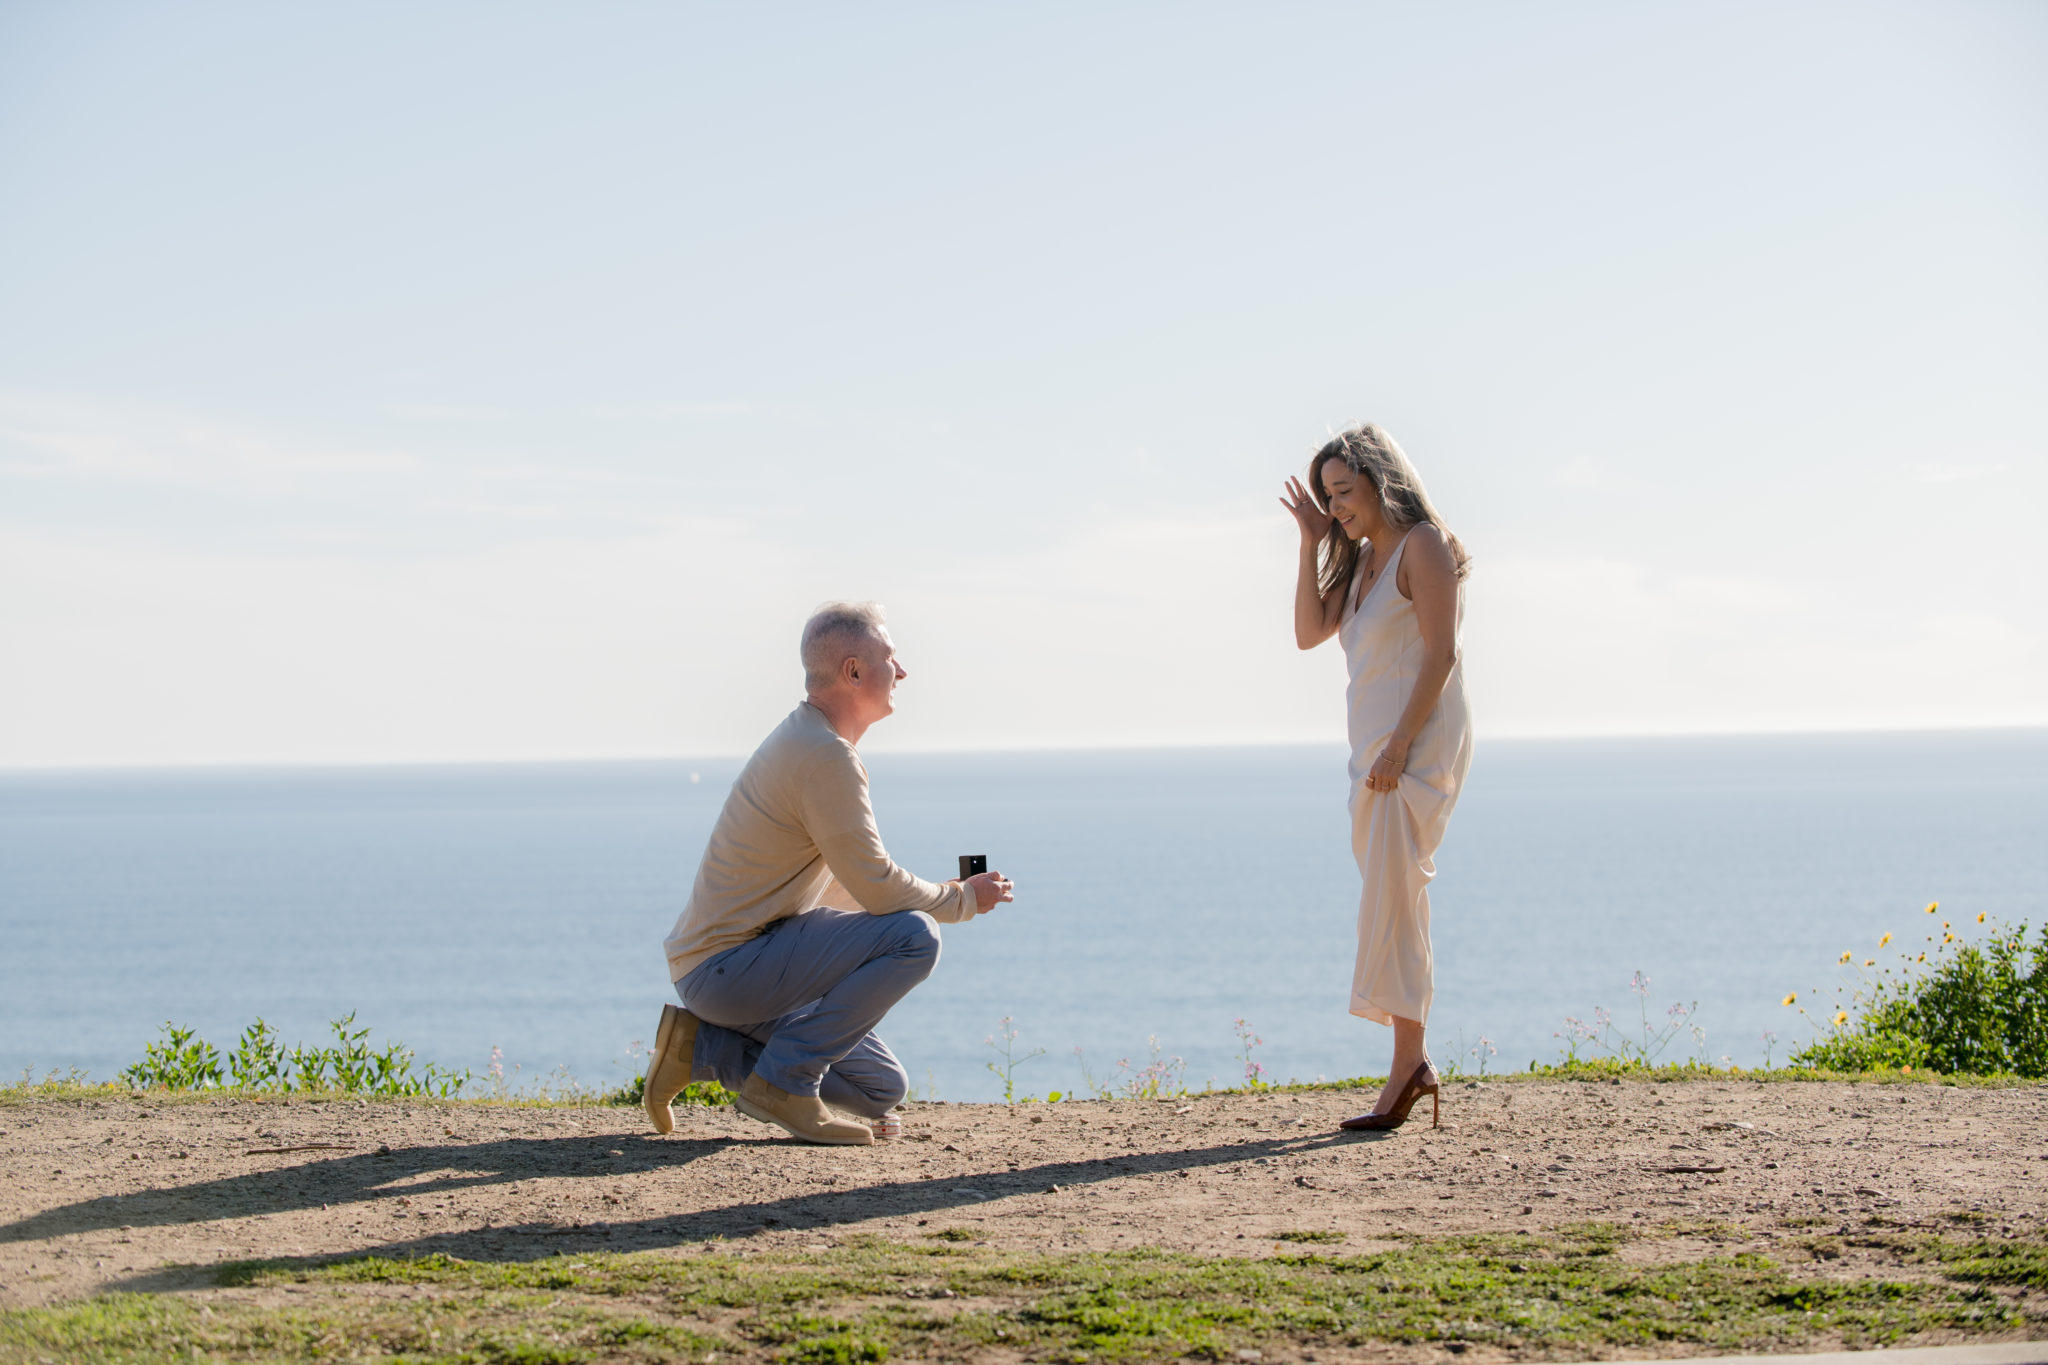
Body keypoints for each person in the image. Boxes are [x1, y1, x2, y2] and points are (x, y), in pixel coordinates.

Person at [641, 602, 1015, 1145]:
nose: (903, 672)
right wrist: (957, 899)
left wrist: (930, 896)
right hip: (729, 968)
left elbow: (850, 889)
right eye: (891, 658)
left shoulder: (812, 742)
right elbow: (877, 887)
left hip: (735, 970)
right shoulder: (823, 755)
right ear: (854, 671)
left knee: (877, 1089)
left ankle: (699, 1048)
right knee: (916, 938)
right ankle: (786, 1084)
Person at [1280, 424, 1473, 1132]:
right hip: (1374, 751)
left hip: (1413, 742)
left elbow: (1442, 654)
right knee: (1389, 891)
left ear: (1379, 481)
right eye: (1327, 496)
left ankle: (1408, 1067)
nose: (1336, 508)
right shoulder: (1361, 560)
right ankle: (1412, 1063)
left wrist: (1398, 747)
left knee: (1397, 893)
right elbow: (1307, 632)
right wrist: (1310, 543)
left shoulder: (1423, 544)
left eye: (1344, 492)